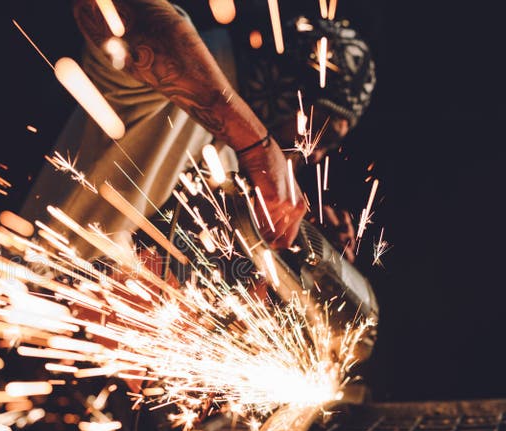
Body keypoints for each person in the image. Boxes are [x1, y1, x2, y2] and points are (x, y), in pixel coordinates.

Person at [21, 0, 376, 264]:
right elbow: (112, 11)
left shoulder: (226, 162)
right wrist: (258, 145)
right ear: (288, 90)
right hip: (21, 302)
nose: (314, 153)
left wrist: (311, 253)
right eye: (322, 131)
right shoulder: (164, 86)